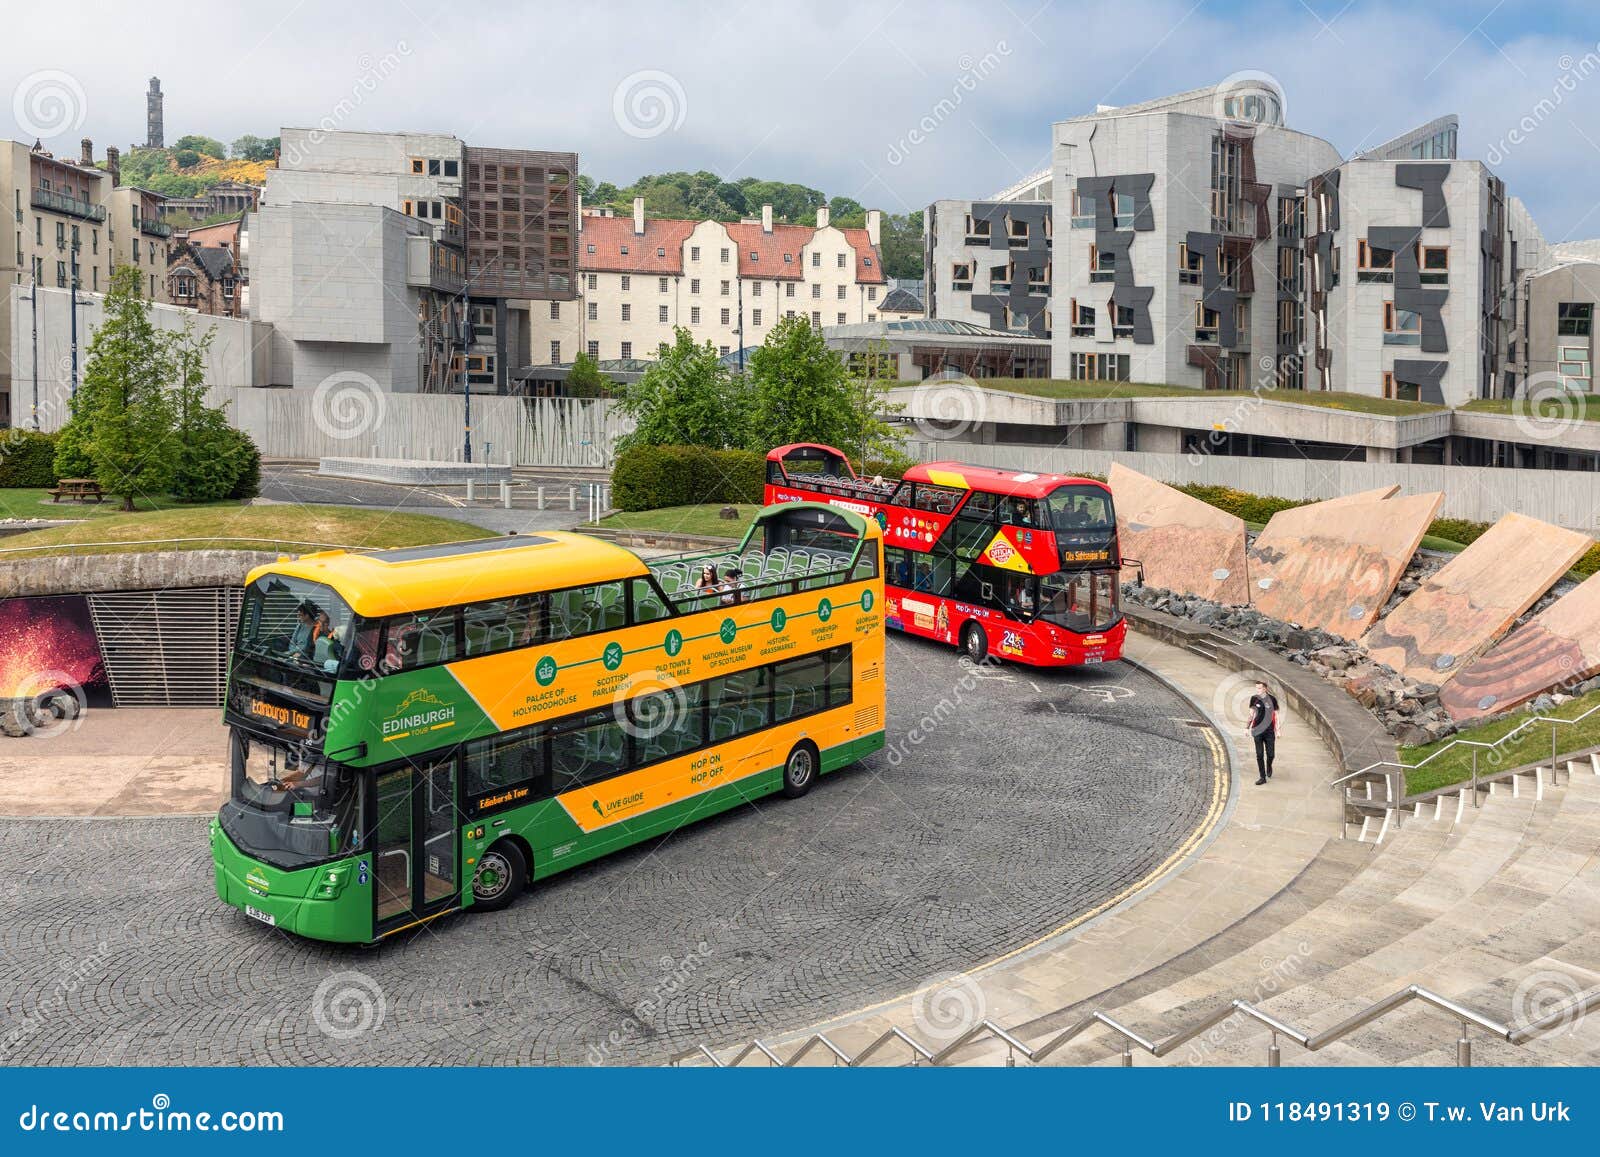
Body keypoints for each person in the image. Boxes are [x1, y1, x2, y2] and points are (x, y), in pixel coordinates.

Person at [1247, 680, 1280, 785]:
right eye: (1256, 688)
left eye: (1260, 688)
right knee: (1259, 754)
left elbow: (1276, 716)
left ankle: (1269, 765)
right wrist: (1246, 727)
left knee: (1271, 754)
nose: (1258, 690)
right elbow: (1251, 714)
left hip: (1269, 731)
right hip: (1257, 730)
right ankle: (1262, 777)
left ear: (1265, 688)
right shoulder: (1254, 699)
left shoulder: (1272, 699)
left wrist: (1278, 730)